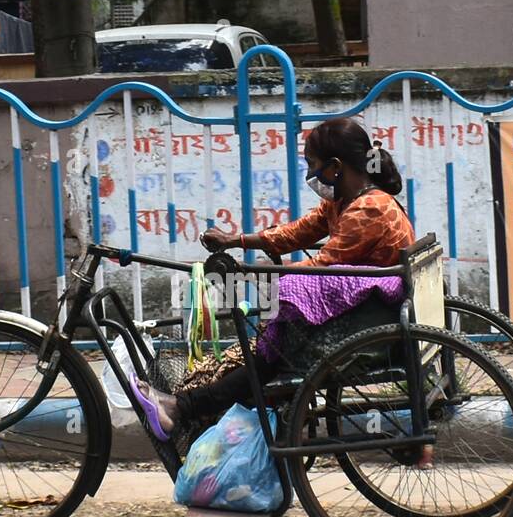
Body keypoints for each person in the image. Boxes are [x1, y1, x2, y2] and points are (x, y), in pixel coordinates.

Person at [130, 117, 415, 441]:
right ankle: (184, 407)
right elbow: (297, 232)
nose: (310, 175)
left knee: (268, 357)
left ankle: (182, 407)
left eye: (313, 165)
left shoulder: (368, 210)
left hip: (365, 325)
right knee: (262, 350)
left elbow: (325, 266)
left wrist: (261, 273)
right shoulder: (344, 202)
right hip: (359, 316)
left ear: (335, 167)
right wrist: (236, 240)